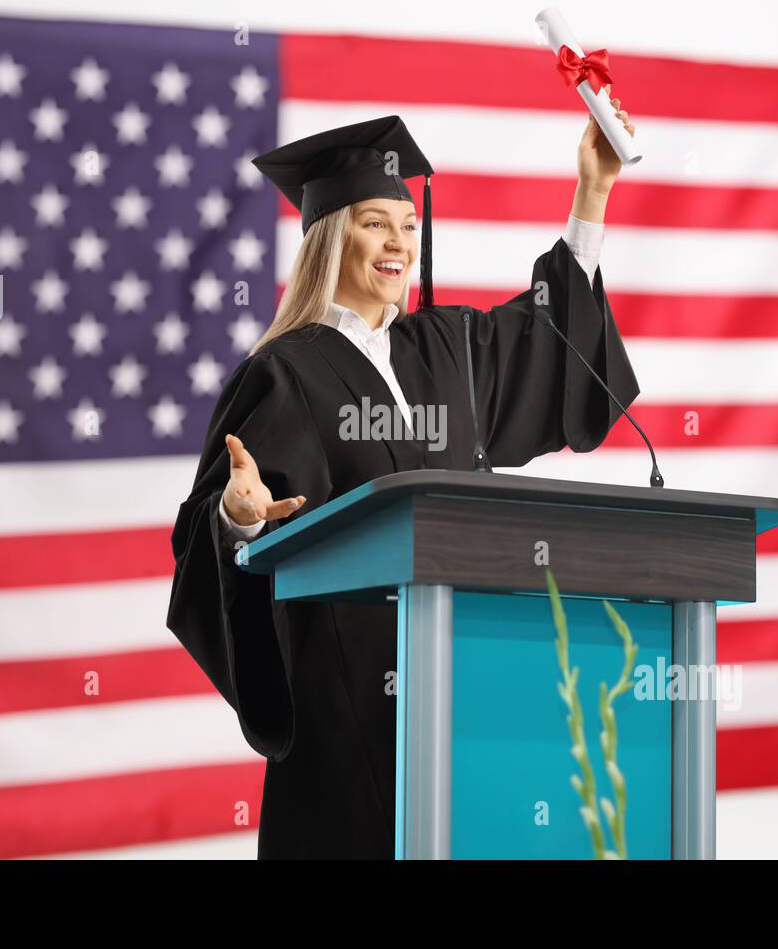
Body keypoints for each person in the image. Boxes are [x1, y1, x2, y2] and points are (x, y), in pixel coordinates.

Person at [166, 107, 640, 858]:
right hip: (347, 706)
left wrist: (592, 192)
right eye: (374, 223)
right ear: (330, 239)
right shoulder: (284, 374)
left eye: (408, 224)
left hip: (458, 688)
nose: (399, 243)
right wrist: (240, 520)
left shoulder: (444, 347)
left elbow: (553, 351)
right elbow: (211, 538)